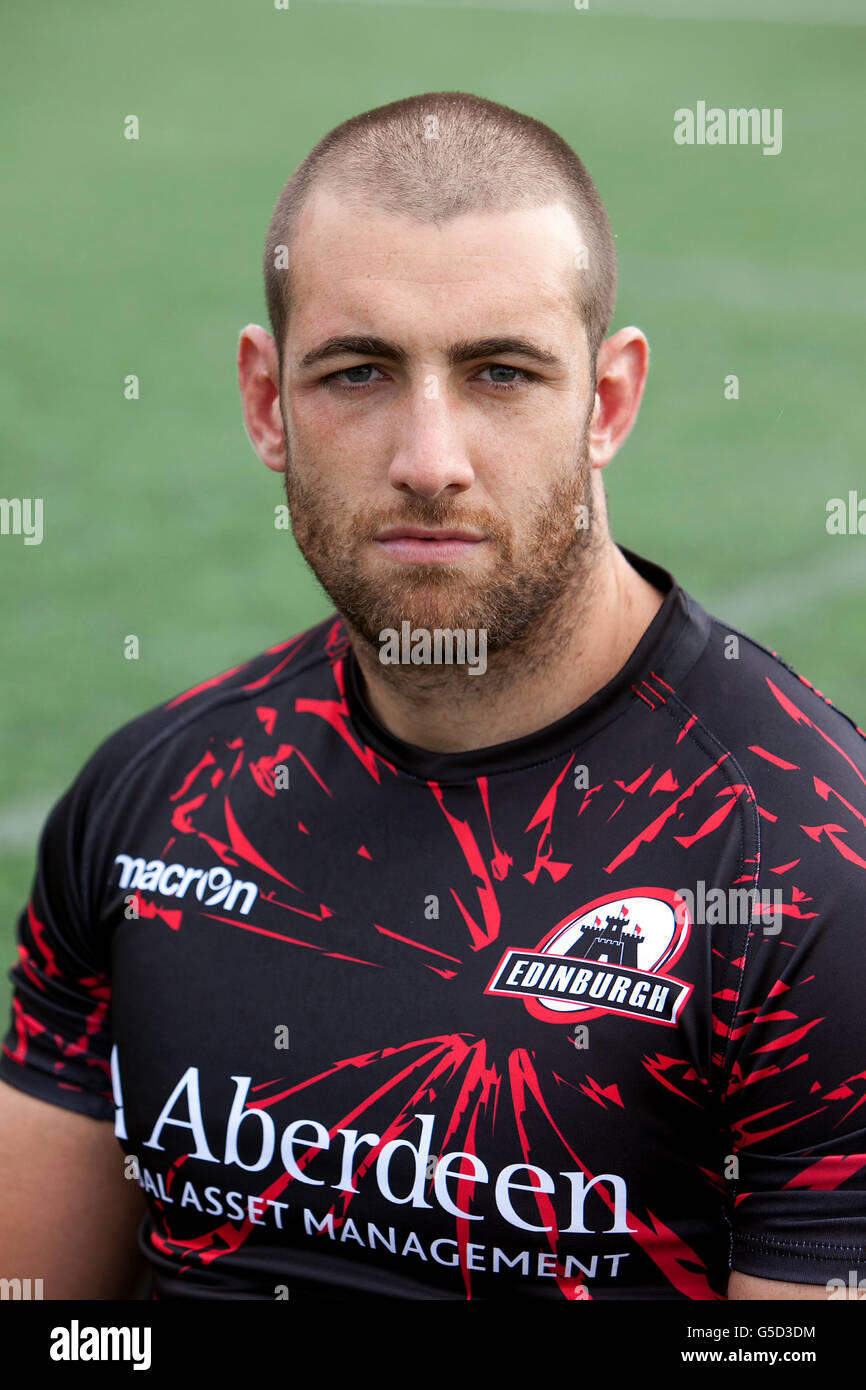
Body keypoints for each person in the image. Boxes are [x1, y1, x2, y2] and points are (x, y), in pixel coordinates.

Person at [2, 91, 864, 1302]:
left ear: (607, 402)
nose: (428, 459)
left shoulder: (808, 869)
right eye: (356, 372)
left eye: (500, 373)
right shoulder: (151, 800)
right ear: (265, 403)